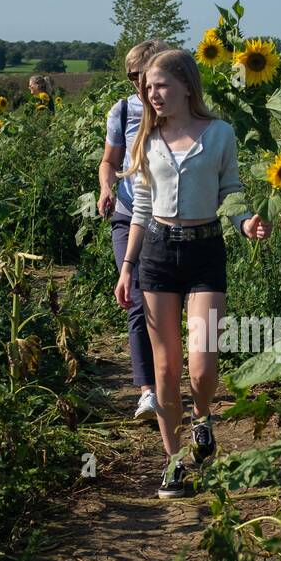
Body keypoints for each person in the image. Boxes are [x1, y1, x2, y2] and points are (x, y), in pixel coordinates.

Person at [114, 49, 271, 498]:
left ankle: (203, 417)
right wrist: (128, 269)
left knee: (202, 364)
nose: (152, 94)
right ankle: (174, 461)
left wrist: (245, 223)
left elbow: (231, 190)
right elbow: (141, 208)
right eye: (147, 88)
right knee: (165, 369)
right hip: (158, 256)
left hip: (205, 252)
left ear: (187, 85)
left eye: (160, 85)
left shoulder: (220, 133)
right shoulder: (147, 138)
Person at [99, 41, 170, 422]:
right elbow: (109, 161)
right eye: (129, 76)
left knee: (169, 301)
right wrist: (106, 187)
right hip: (128, 213)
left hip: (170, 217)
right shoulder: (122, 110)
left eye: (139, 75)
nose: (135, 84)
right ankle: (148, 390)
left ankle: (173, 378)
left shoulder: (176, 109)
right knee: (137, 299)